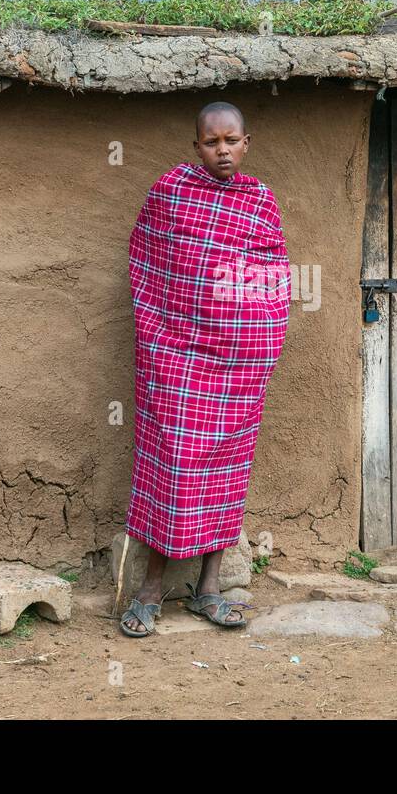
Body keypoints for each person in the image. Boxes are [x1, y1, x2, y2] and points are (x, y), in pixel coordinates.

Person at [119, 101, 290, 637]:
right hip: (178, 358)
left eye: (231, 141)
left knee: (226, 472)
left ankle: (209, 589)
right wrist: (161, 338)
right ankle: (150, 590)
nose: (222, 150)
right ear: (196, 146)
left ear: (247, 142)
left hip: (239, 364)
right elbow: (149, 263)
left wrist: (252, 337)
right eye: (211, 142)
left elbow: (272, 275)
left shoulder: (259, 201)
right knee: (170, 465)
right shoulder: (171, 193)